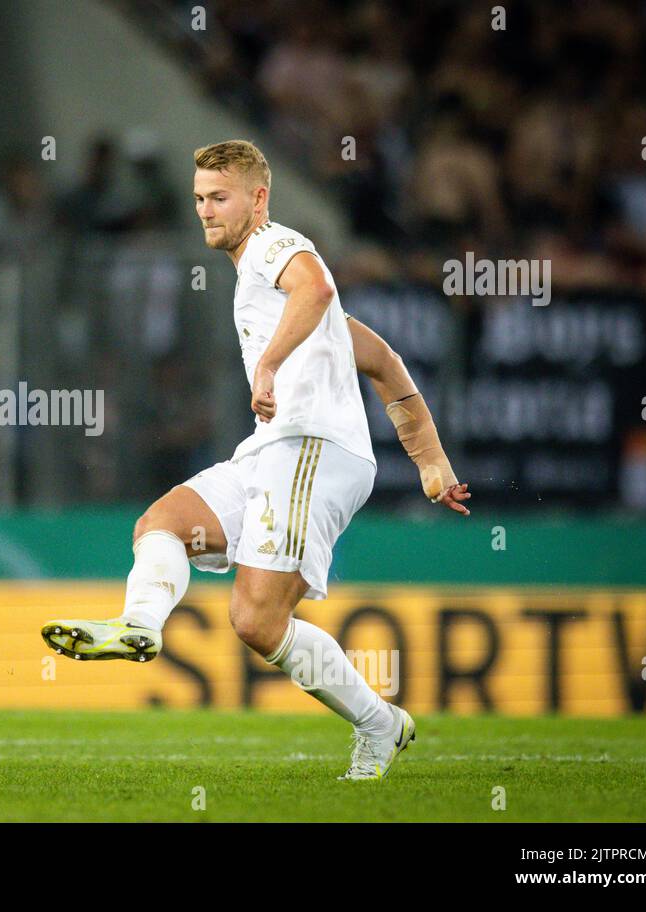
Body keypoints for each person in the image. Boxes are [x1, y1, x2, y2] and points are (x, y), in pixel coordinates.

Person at [41, 140, 470, 781]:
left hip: (313, 448)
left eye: (219, 198)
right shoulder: (259, 278)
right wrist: (430, 459)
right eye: (198, 199)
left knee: (257, 617)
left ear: (258, 198)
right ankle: (141, 626)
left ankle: (379, 725)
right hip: (276, 449)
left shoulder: (275, 247)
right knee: (161, 524)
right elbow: (379, 357)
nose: (206, 212)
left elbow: (318, 286)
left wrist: (267, 362)